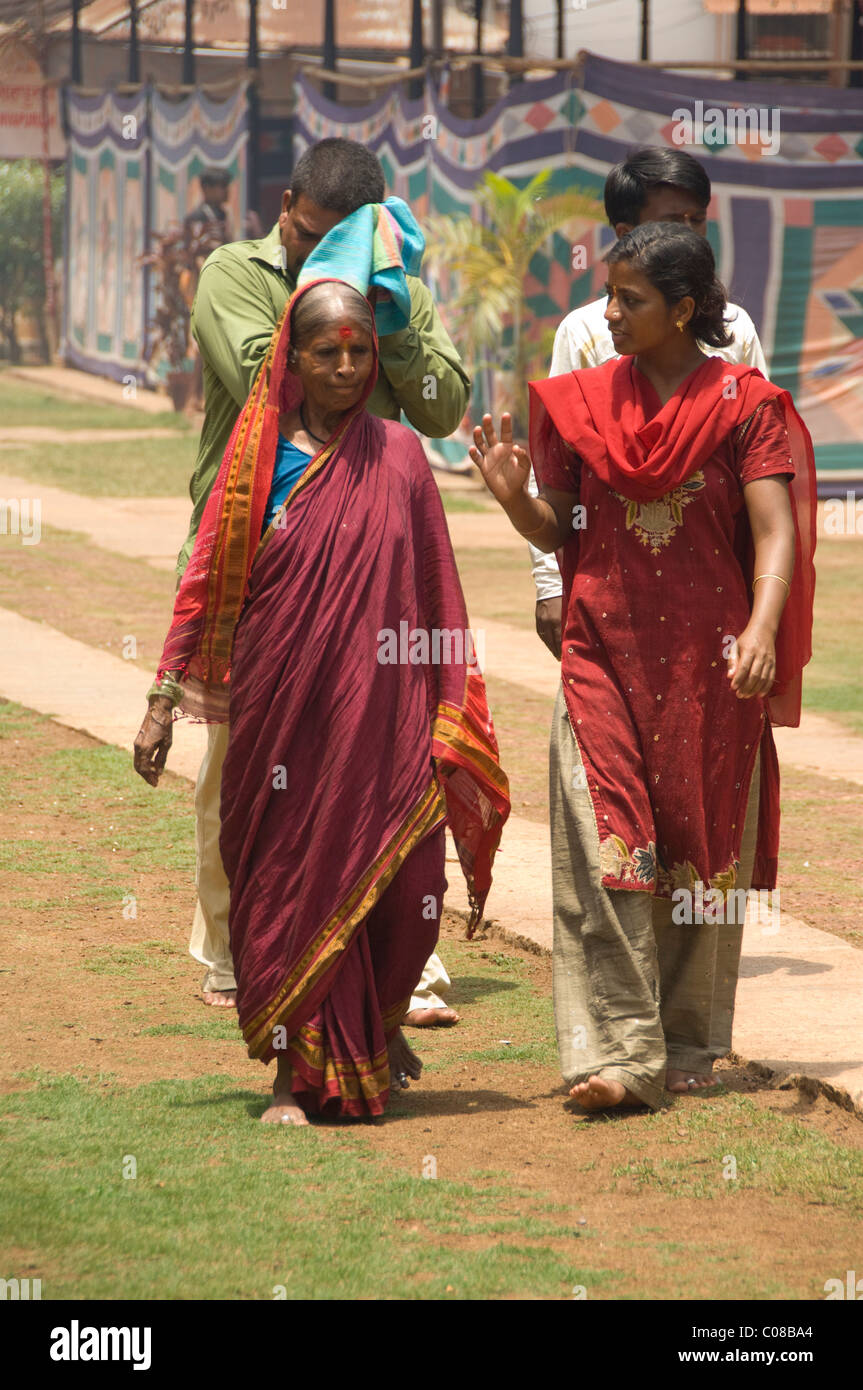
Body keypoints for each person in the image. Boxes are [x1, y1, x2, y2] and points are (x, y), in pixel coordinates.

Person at [133, 213, 509, 1121]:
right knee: (290, 873)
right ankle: (290, 1075)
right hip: (280, 712)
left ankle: (372, 1033)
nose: (346, 368)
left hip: (381, 717)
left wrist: (448, 711)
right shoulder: (253, 463)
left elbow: (436, 593)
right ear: (291, 361)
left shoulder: (404, 457)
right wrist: (159, 701)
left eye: (358, 351)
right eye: (326, 353)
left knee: (410, 883)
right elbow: (207, 586)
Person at [471, 222, 815, 1112]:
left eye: (629, 299)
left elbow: (774, 530)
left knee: (701, 851)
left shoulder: (745, 404)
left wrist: (763, 630)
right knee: (606, 845)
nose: (609, 313)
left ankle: (691, 1037)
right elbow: (561, 527)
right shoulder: (580, 405)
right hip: (601, 657)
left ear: (683, 309)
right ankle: (623, 1049)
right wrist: (517, 504)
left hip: (710, 665)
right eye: (608, 295)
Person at [530, 146, 768, 662]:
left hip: (713, 587)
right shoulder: (588, 332)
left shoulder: (736, 330)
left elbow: (762, 473)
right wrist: (550, 583)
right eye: (670, 222)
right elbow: (558, 471)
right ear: (625, 235)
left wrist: (762, 611)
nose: (688, 234)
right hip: (608, 589)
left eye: (696, 220)